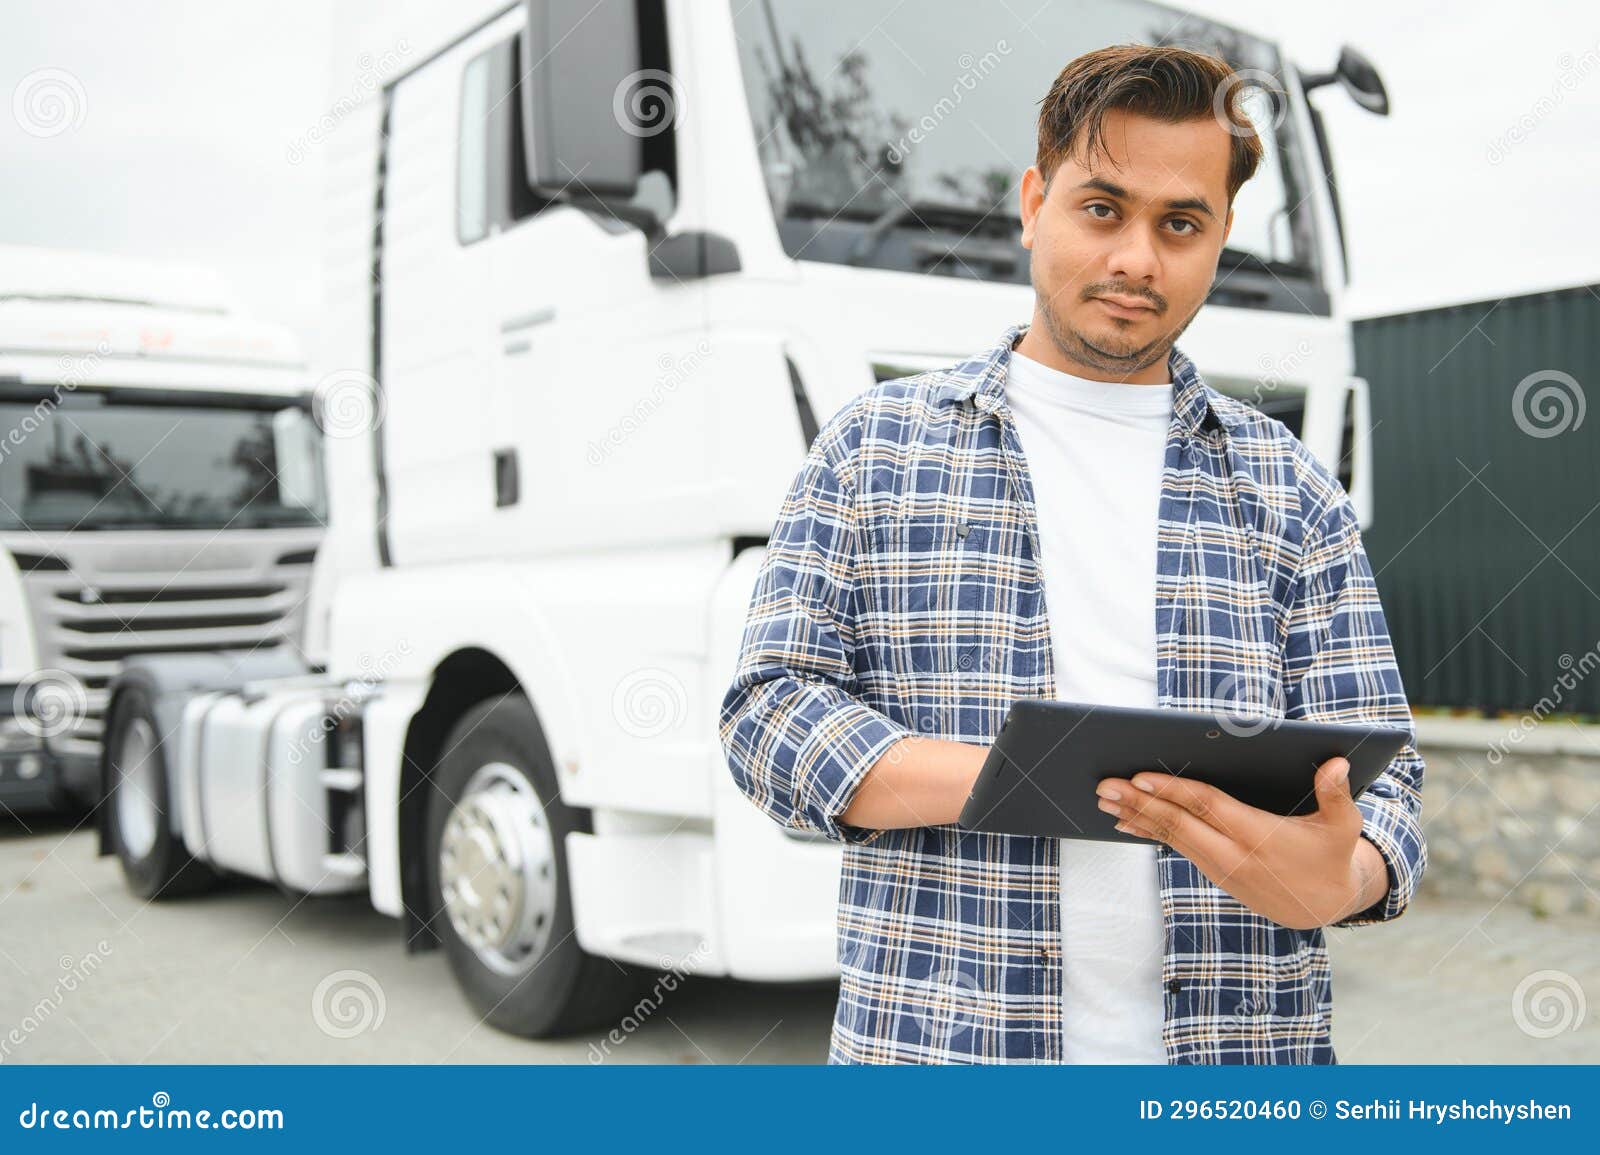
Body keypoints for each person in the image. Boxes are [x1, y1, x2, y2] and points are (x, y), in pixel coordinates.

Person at [718, 43, 1425, 1065]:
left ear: (1220, 237)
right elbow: (768, 712)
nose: (1137, 258)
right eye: (1102, 209)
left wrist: (1347, 877)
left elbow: (1388, 785)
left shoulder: (1291, 490)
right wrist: (1029, 777)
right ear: (1033, 202)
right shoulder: (873, 446)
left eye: (1179, 224)